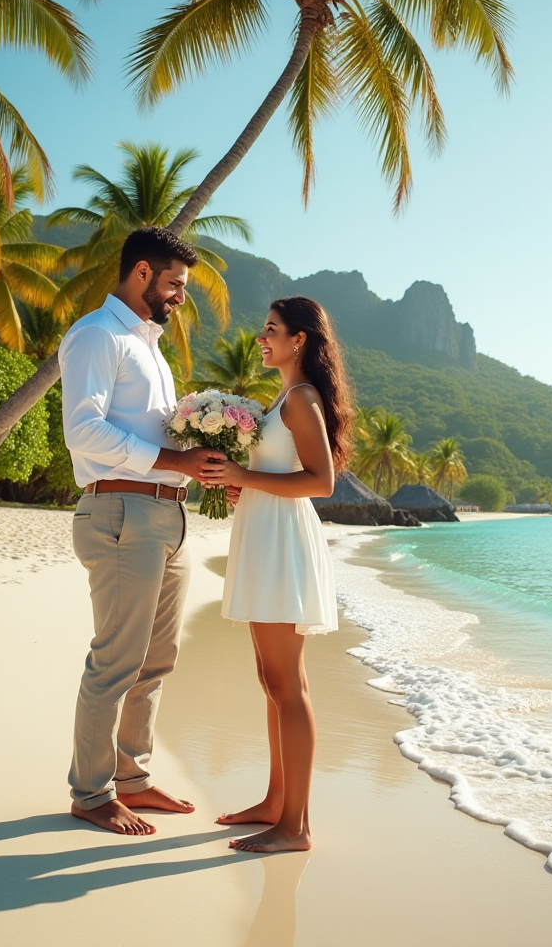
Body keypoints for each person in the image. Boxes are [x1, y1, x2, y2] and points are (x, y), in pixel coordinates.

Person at [58, 227, 228, 836]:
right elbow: (83, 430)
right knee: (117, 660)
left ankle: (132, 778)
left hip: (166, 515)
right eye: (175, 284)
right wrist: (175, 461)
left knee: (156, 660)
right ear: (142, 274)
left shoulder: (149, 347)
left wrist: (205, 461)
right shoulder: (97, 336)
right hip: (121, 511)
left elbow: (151, 433)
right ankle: (91, 792)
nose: (181, 296)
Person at [198, 296, 355, 852]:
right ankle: (275, 802)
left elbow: (321, 482)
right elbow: (277, 471)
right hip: (265, 533)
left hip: (283, 543)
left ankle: (296, 826)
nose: (262, 339)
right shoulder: (284, 397)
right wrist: (243, 484)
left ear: (299, 340)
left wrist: (245, 476)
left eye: (271, 330)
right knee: (273, 681)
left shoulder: (302, 397)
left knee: (287, 685)